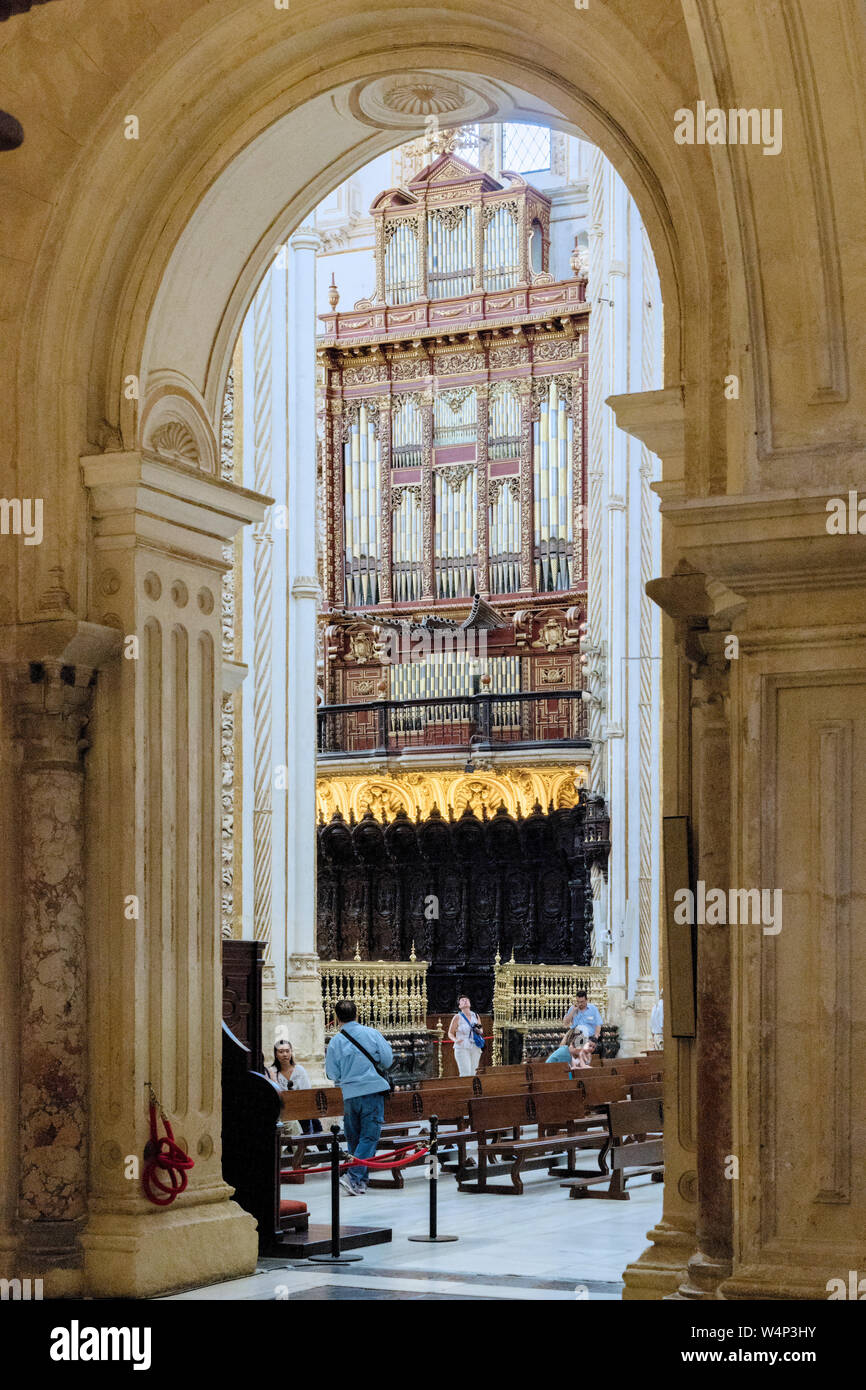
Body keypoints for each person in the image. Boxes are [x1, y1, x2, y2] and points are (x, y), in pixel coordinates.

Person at [324, 999, 393, 1196]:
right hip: (372, 1091)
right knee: (369, 1137)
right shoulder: (371, 1033)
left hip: (350, 1094)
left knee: (354, 1138)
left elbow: (332, 1073)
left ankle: (359, 1182)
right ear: (357, 1014)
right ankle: (353, 1176)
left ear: (336, 1018)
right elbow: (387, 1060)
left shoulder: (335, 1041)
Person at [266, 1038, 323, 1141]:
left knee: (312, 1119)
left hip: (301, 1108)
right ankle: (302, 1147)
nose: (285, 1054)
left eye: (287, 1051)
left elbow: (307, 1093)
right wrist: (273, 1077)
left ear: (291, 1052)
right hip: (284, 1110)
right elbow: (275, 1095)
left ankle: (312, 1148)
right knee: (310, 1121)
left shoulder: (299, 1070)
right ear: (275, 1054)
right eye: (281, 1051)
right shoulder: (272, 1071)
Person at [448, 995, 483, 1077]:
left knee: (473, 1072)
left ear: (470, 1004)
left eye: (467, 1000)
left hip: (475, 1045)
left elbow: (481, 1030)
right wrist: (455, 1040)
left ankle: (471, 1089)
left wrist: (478, 1030)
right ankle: (465, 1089)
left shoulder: (476, 1016)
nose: (465, 1001)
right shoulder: (457, 1017)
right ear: (459, 1006)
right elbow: (450, 1033)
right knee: (465, 1072)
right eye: (462, 1000)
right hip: (462, 1045)